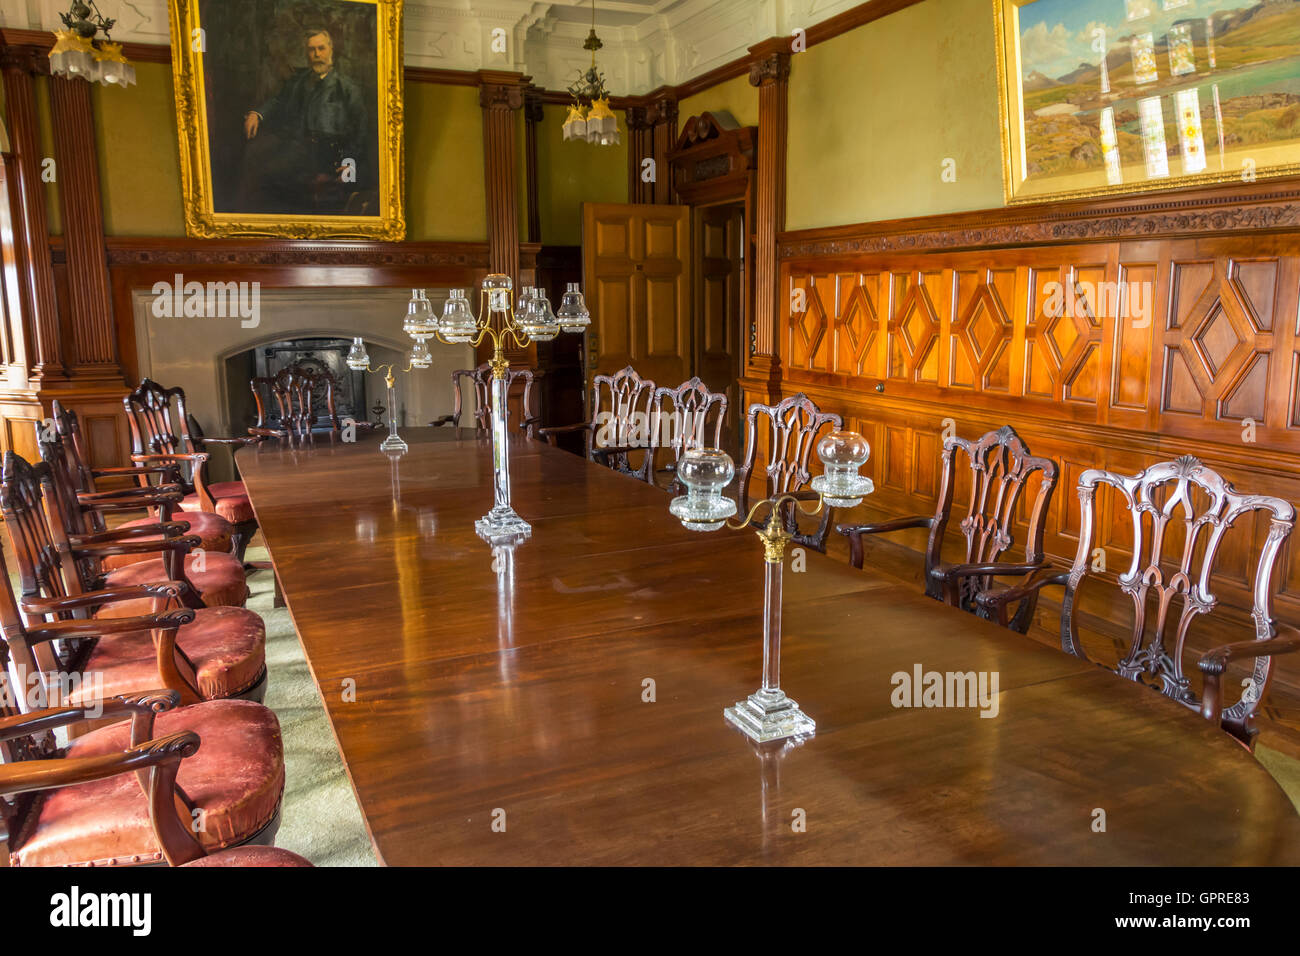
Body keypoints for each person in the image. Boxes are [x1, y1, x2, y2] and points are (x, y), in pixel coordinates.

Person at [238, 28, 368, 214]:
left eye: (321, 48)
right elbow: (278, 100)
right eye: (311, 50)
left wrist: (350, 163)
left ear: (331, 50)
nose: (317, 55)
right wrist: (256, 114)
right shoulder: (299, 81)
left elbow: (360, 131)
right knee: (256, 165)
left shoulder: (347, 88)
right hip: (298, 151)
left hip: (331, 157)